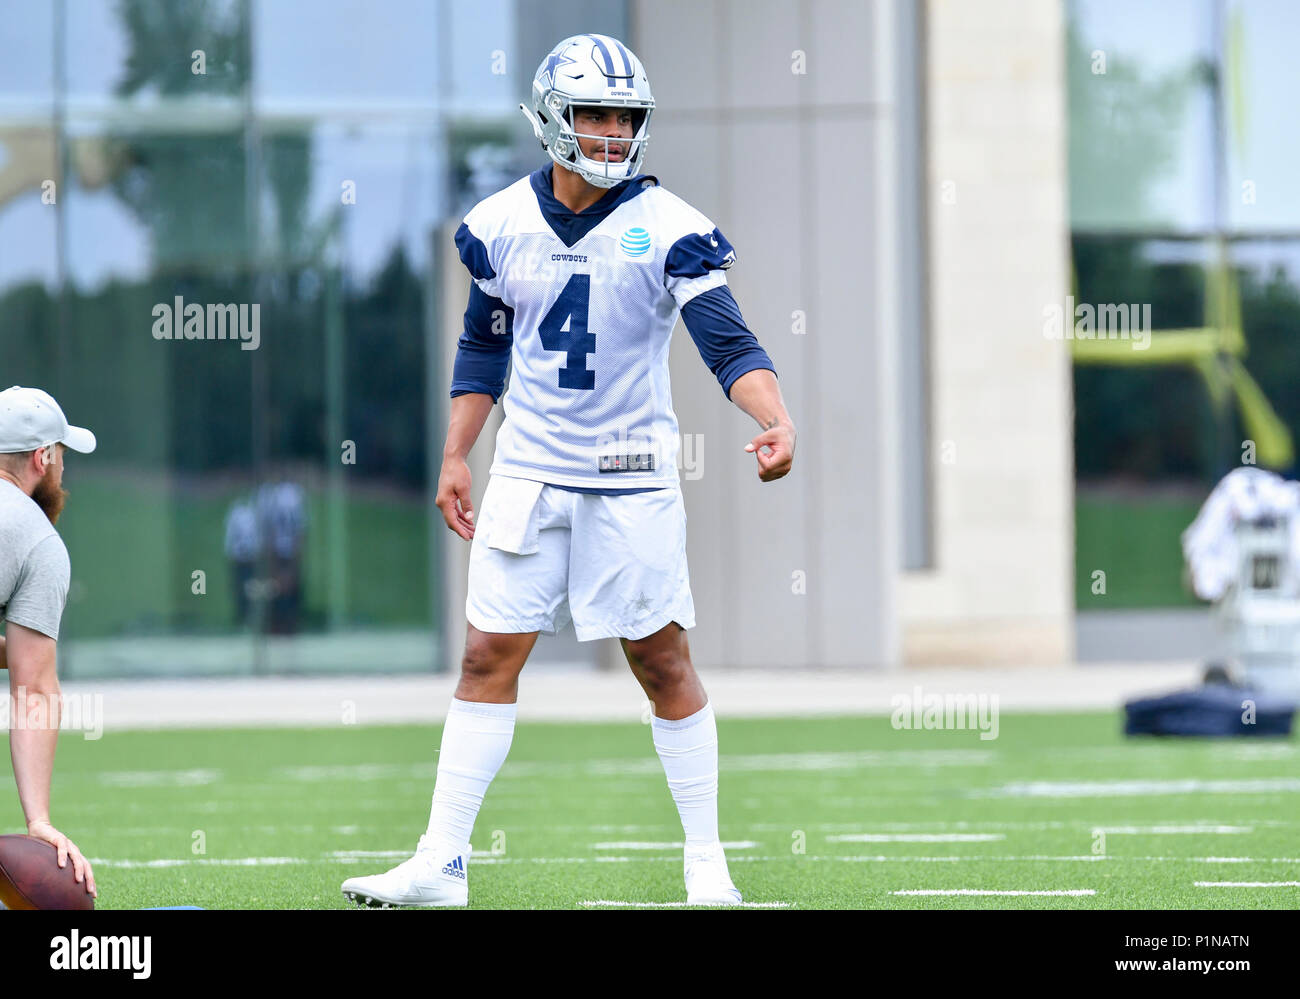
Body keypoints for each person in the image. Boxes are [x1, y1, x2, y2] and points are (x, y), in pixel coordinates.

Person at [342, 33, 795, 908]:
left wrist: (773, 418)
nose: (613, 132)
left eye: (625, 117)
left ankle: (708, 866)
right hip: (530, 469)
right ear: (554, 114)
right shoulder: (505, 222)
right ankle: (443, 860)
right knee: (485, 655)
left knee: (661, 660)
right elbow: (484, 346)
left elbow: (727, 342)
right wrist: (455, 454)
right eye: (595, 113)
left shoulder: (668, 226)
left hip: (630, 474)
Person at [0, 386, 98, 899]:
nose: (64, 470)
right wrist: (37, 821)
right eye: (62, 456)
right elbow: (33, 689)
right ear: (42, 458)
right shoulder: (37, 539)